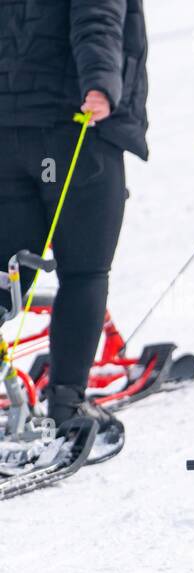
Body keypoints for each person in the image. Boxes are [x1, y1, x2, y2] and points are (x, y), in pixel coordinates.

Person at [0, 0, 148, 438]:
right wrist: (101, 82)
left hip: (8, 137)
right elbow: (97, 19)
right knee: (84, 271)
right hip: (74, 130)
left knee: (7, 276)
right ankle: (67, 402)